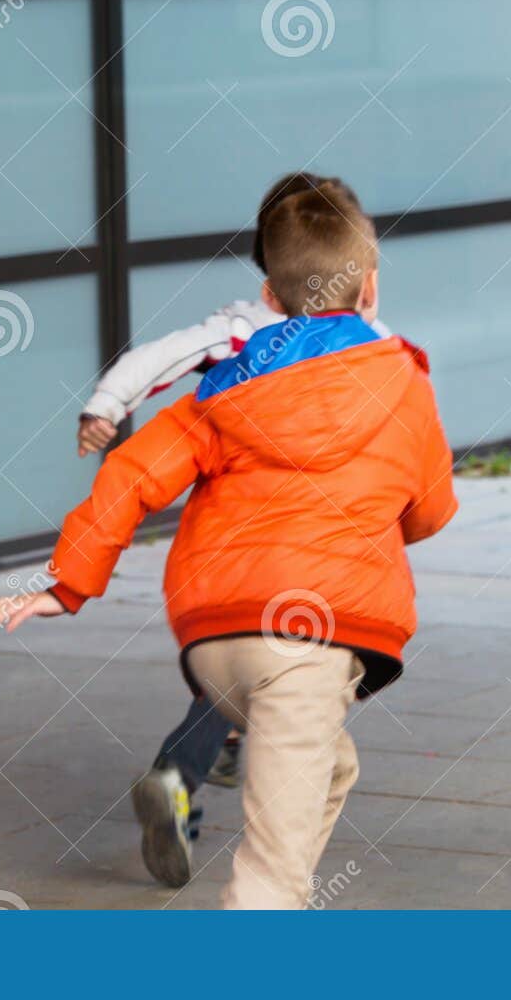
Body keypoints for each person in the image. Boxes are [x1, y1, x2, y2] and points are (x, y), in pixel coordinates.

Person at [0, 179, 457, 908]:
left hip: (214, 640)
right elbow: (429, 512)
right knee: (269, 882)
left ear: (270, 296)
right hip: (312, 640)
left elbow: (133, 475)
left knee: (330, 769)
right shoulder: (402, 378)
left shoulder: (220, 392)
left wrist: (64, 585)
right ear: (371, 288)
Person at [74, 173, 391, 889]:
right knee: (277, 675)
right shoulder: (369, 341)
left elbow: (161, 357)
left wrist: (106, 404)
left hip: (232, 547)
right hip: (319, 547)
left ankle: (190, 768)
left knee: (242, 661)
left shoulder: (242, 327)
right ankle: (208, 788)